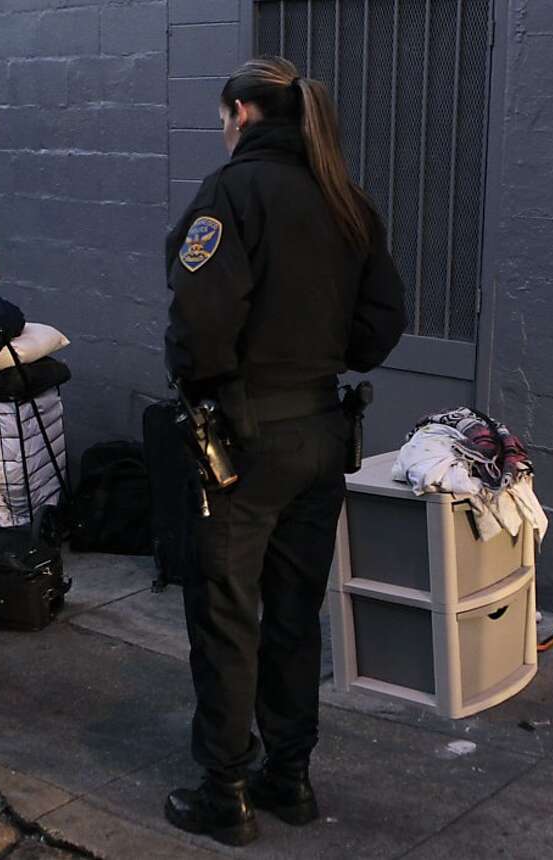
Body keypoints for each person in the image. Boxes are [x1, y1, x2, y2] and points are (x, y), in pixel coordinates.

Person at [162, 56, 406, 846]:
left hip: (246, 437)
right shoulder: (347, 199)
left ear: (242, 112)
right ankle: (289, 777)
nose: (222, 129)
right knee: (295, 615)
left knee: (229, 616)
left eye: (222, 117)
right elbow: (380, 327)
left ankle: (224, 790)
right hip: (319, 431)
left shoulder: (231, 193)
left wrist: (214, 383)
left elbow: (200, 326)